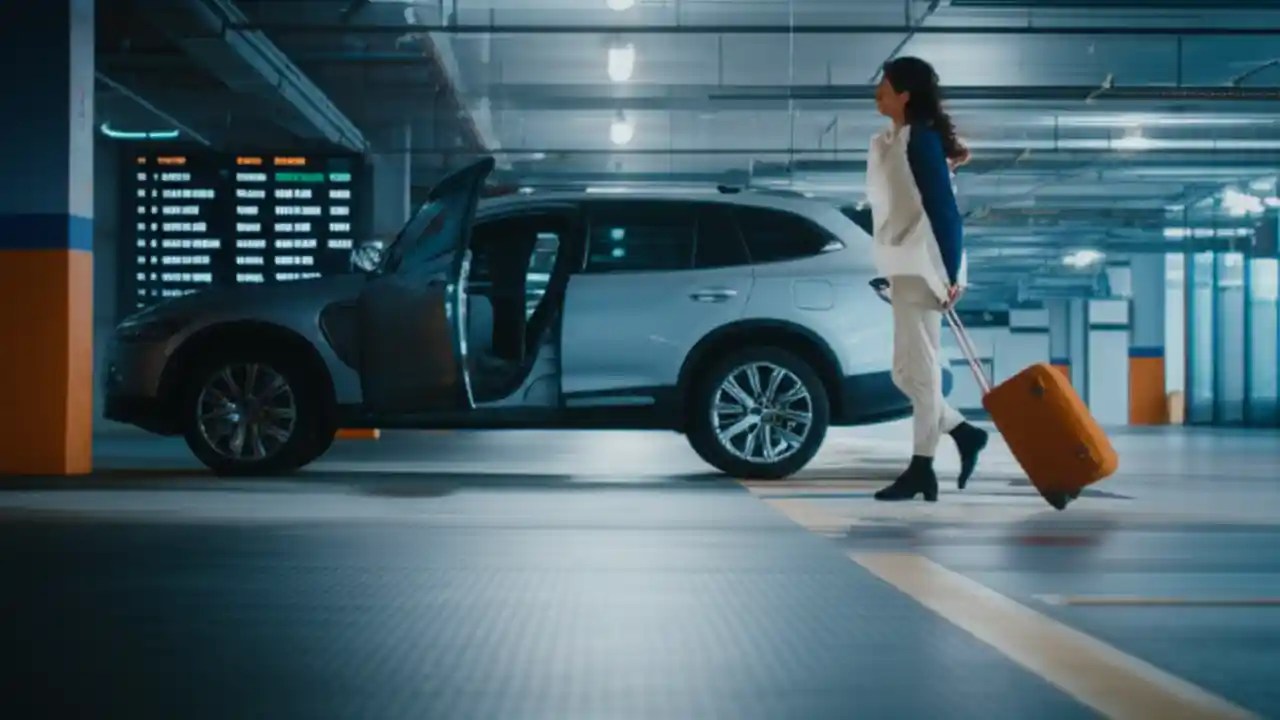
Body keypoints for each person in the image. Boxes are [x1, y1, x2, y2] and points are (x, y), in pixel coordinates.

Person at [865, 56, 988, 502]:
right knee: (904, 374)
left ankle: (921, 467)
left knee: (921, 371)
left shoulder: (920, 140)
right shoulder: (895, 139)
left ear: (905, 95)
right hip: (904, 265)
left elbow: (943, 210)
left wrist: (952, 272)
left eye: (885, 84)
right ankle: (963, 431)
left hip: (925, 266)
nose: (877, 91)